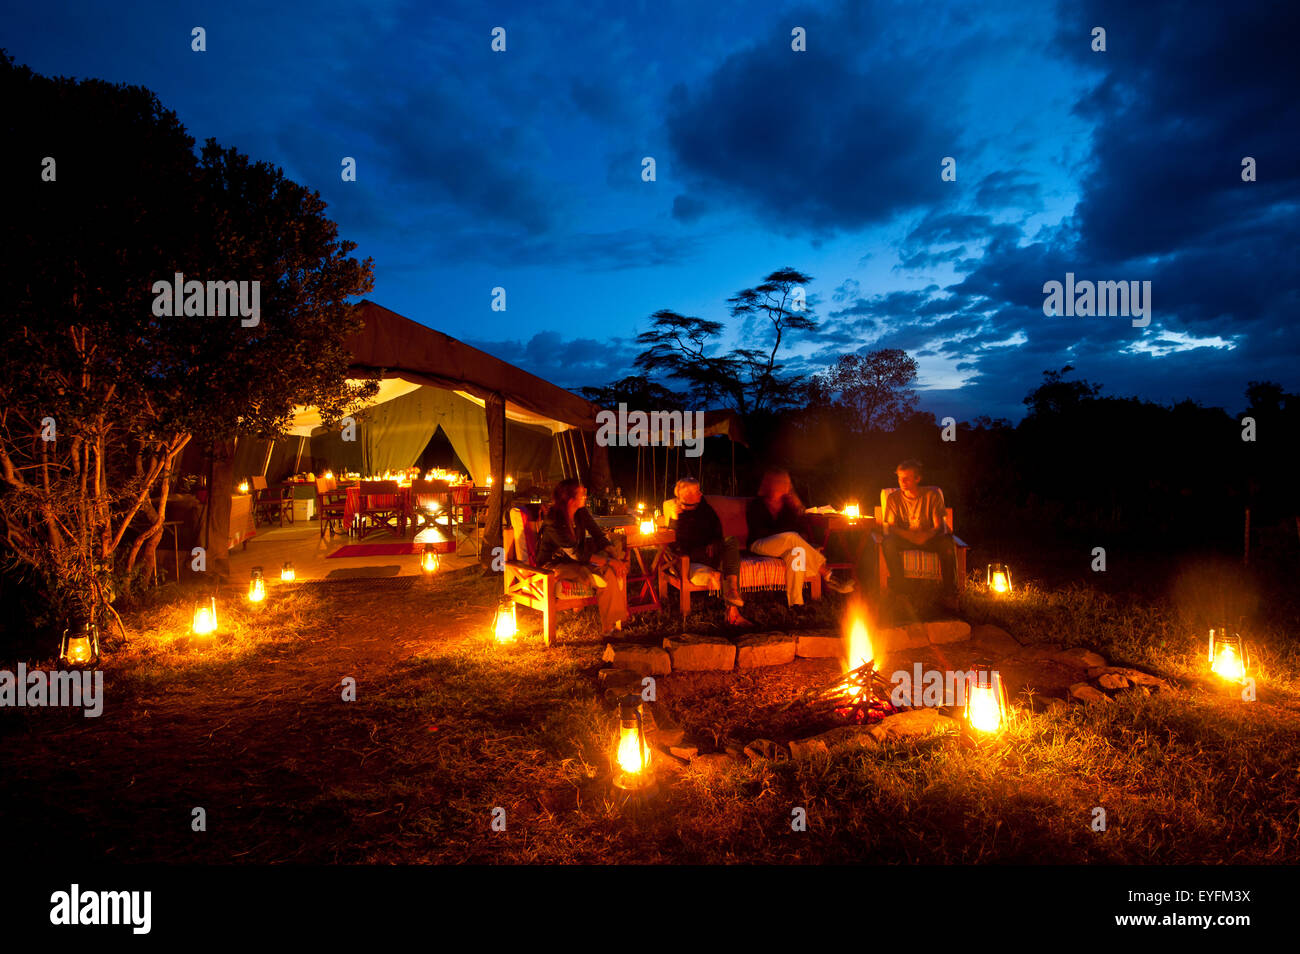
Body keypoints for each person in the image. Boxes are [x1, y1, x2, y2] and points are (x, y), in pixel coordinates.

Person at [746, 468, 855, 605]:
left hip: (784, 546)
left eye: (785, 482)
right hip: (759, 544)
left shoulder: (787, 506)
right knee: (791, 538)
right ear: (770, 484)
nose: (784, 484)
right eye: (779, 481)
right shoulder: (757, 504)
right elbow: (762, 531)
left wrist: (796, 504)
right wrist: (788, 537)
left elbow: (798, 529)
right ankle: (828, 574)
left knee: (797, 553)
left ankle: (796, 603)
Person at [536, 478, 629, 637]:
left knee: (608, 570)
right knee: (602, 573)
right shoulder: (553, 521)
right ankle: (610, 628)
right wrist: (609, 561)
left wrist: (615, 557)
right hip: (553, 566)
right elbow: (577, 553)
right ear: (571, 500)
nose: (585, 497)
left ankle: (610, 627)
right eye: (581, 494)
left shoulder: (581, 513)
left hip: (574, 562)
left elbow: (598, 535)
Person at [669, 477, 750, 626]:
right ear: (685, 495)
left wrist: (714, 542)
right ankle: (733, 613)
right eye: (696, 491)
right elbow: (675, 544)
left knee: (730, 542)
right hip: (693, 553)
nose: (701, 493)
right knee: (726, 559)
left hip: (710, 550)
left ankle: (732, 595)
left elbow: (717, 528)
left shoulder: (704, 507)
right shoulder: (677, 514)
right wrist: (675, 519)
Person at [881, 459, 958, 607]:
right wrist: (912, 536)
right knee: (888, 543)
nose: (902, 482)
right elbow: (891, 527)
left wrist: (924, 536)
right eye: (899, 478)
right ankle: (901, 592)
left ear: (917, 479)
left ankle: (950, 595)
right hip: (905, 538)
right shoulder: (893, 498)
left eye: (906, 478)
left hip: (928, 538)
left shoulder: (932, 496)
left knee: (947, 543)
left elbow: (938, 527)